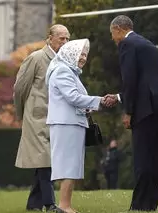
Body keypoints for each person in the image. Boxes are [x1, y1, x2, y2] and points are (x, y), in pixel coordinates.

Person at [106, 15, 158, 211]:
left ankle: (139, 205)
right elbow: (146, 80)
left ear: (119, 29)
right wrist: (120, 97)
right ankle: (150, 204)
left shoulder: (127, 44)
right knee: (156, 159)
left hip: (144, 110)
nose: (113, 39)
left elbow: (130, 80)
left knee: (143, 158)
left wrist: (128, 111)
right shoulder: (148, 45)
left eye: (113, 34)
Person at [45, 38, 111, 213]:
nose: (83, 58)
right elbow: (73, 97)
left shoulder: (69, 72)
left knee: (71, 164)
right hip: (66, 123)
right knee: (68, 164)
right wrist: (99, 101)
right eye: (80, 54)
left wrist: (88, 106)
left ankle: (65, 204)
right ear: (70, 53)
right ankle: (64, 206)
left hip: (71, 123)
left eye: (85, 55)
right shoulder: (62, 71)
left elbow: (73, 99)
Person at [13, 24, 70, 212]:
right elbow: (20, 89)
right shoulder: (36, 58)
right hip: (36, 119)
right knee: (46, 162)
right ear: (50, 38)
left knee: (44, 162)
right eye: (61, 38)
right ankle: (50, 204)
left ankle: (33, 204)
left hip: (56, 119)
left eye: (67, 38)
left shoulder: (64, 62)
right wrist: (23, 115)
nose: (65, 42)